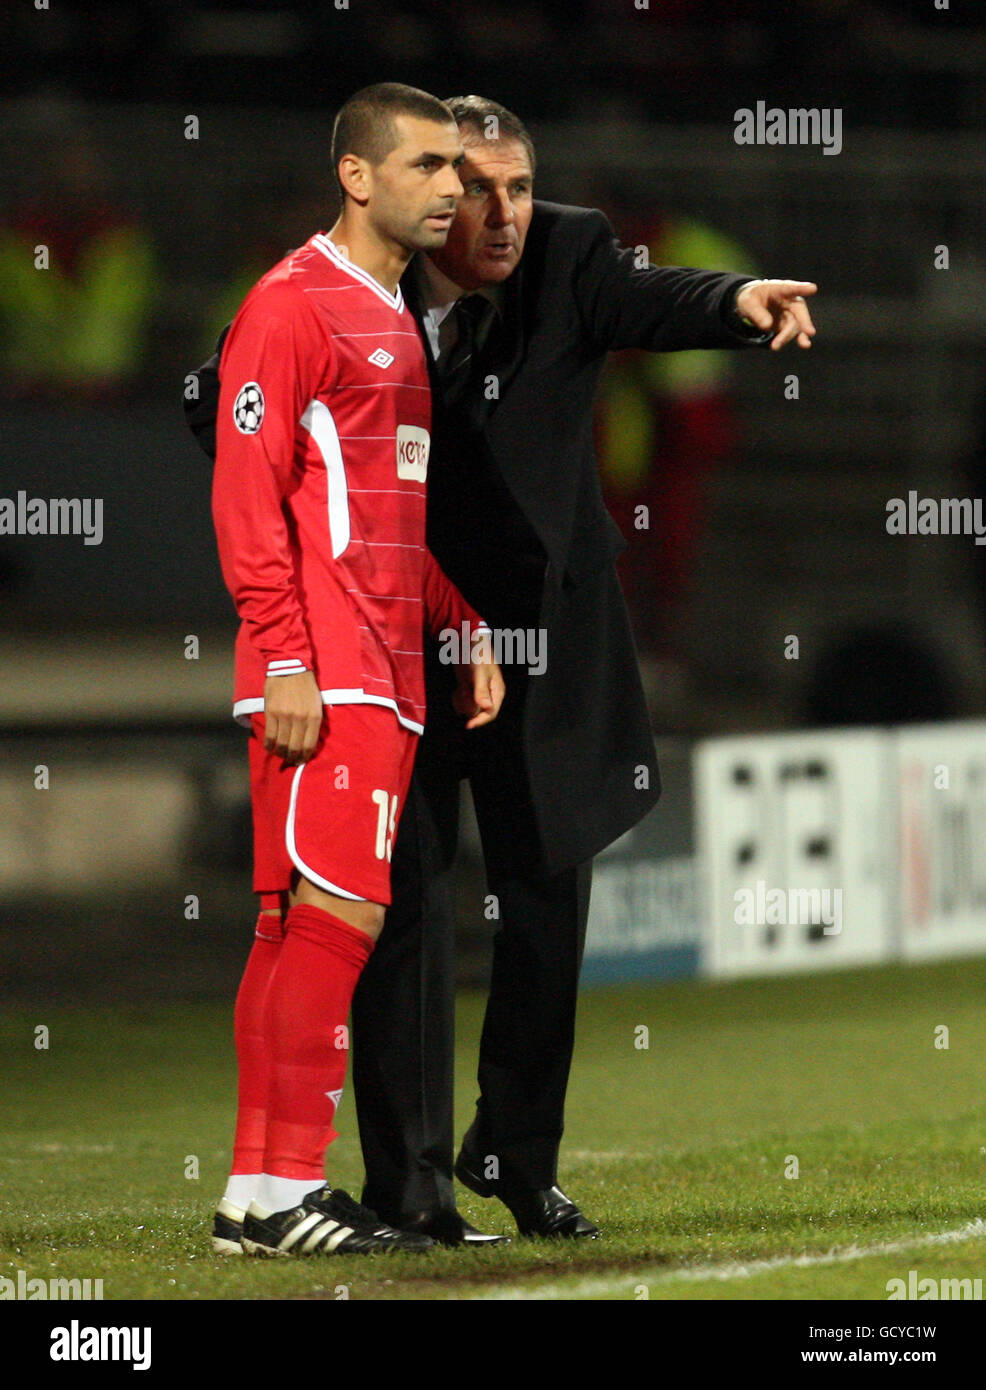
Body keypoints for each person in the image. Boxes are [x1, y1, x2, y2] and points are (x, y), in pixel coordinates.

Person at [188, 95, 816, 1246]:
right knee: (382, 912)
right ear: (394, 183)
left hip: (521, 641)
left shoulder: (560, 254)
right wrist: (285, 626)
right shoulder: (337, 291)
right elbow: (241, 414)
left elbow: (647, 296)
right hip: (372, 648)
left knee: (535, 901)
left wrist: (735, 299)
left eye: (514, 187)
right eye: (460, 180)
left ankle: (510, 1155)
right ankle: (394, 1180)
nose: (490, 209)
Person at [207, 82, 503, 1258]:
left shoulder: (391, 312)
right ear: (357, 176)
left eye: (461, 170)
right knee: (334, 921)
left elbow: (380, 514)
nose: (453, 190)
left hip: (381, 659)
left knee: (291, 927)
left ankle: (253, 1191)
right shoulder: (290, 306)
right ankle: (282, 1188)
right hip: (327, 669)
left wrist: (460, 620)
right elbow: (245, 492)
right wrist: (285, 652)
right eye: (430, 166)